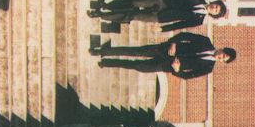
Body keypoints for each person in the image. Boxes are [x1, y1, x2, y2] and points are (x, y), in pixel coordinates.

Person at [92, 32, 236, 79]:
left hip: (165, 65)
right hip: (164, 50)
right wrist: (173, 43)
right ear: (222, 49)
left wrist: (177, 70)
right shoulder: (205, 41)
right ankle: (102, 51)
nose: (220, 57)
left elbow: (188, 76)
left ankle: (106, 62)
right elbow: (184, 35)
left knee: (137, 66)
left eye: (223, 59)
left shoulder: (208, 68)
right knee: (134, 51)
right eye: (223, 55)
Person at [88, 0, 226, 32]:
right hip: (162, 1)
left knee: (133, 15)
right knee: (134, 2)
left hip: (161, 16)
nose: (213, 8)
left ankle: (100, 14)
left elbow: (180, 25)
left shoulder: (198, 20)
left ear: (213, 15)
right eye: (216, 5)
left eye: (215, 11)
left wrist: (163, 29)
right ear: (214, 2)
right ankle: (106, 6)